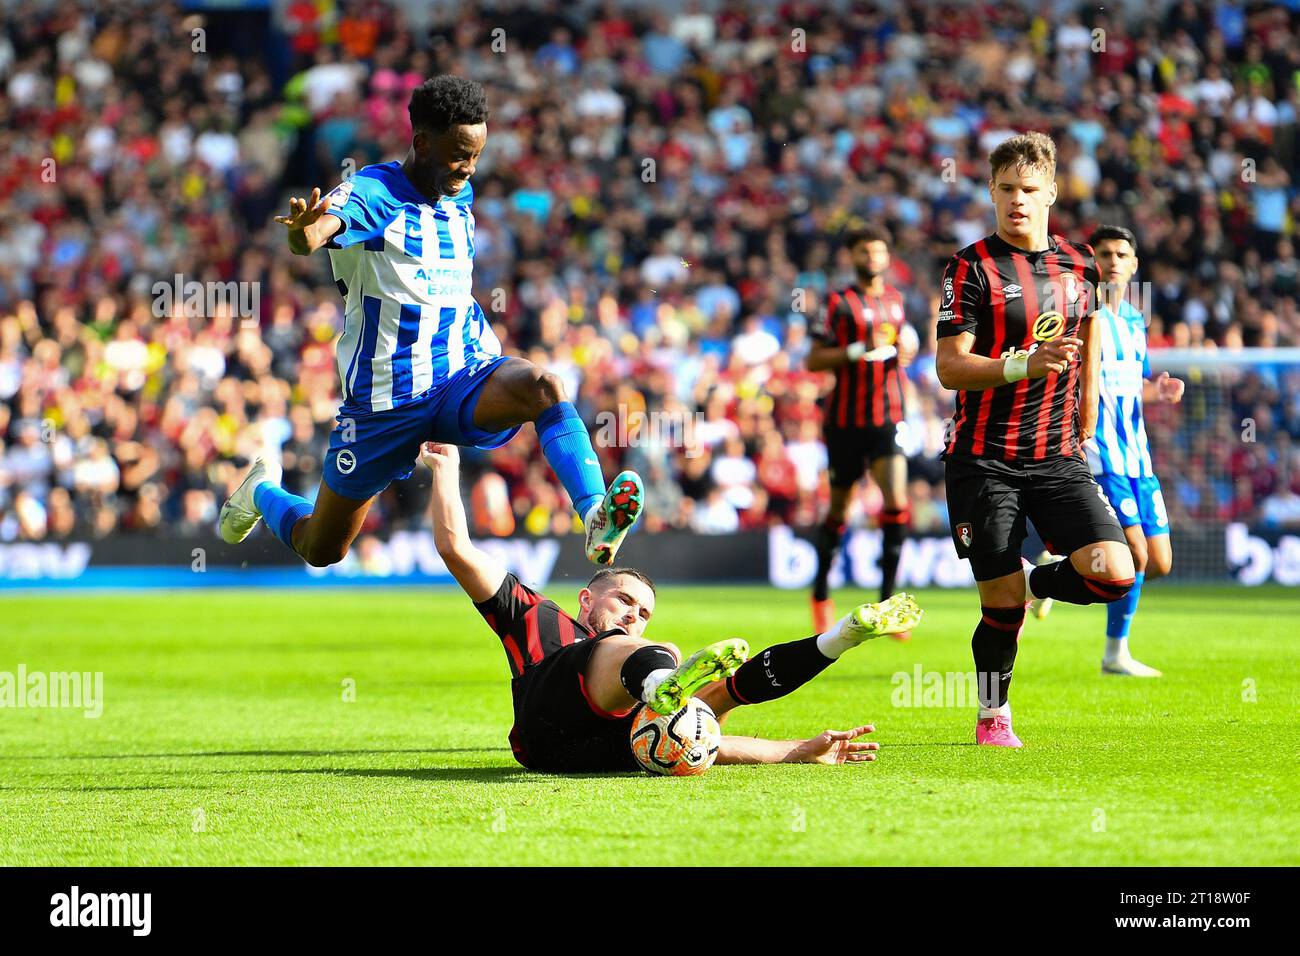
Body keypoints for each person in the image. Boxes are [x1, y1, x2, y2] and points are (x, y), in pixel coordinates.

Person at [218, 74, 640, 568]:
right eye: (460, 154)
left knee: (544, 386)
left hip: (461, 372)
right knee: (322, 549)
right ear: (422, 142)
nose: (469, 167)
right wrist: (304, 233)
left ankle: (593, 515)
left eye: (477, 155)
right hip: (384, 401)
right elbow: (318, 231)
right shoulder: (373, 192)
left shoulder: (457, 192)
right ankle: (262, 492)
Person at [422, 439, 922, 773]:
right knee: (647, 659)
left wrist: (797, 752)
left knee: (706, 710)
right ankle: (669, 683)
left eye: (642, 612)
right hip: (544, 726)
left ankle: (837, 638)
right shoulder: (538, 616)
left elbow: (713, 743)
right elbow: (456, 548)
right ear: (586, 598)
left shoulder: (636, 662)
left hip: (611, 749)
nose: (631, 615)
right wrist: (446, 468)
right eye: (623, 600)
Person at [935, 132, 1135, 748]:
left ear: (1051, 192)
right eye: (1005, 190)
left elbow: (1091, 340)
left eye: (1028, 190)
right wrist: (1022, 365)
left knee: (1115, 572)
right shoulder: (970, 266)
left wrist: (1088, 418)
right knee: (999, 607)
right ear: (991, 192)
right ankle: (993, 715)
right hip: (983, 459)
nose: (1016, 201)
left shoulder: (1081, 265)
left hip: (1058, 456)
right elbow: (948, 368)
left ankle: (1037, 578)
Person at [1079, 224, 1184, 676]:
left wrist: (1156, 392)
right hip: (1102, 457)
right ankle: (1114, 654)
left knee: (1159, 561)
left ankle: (1058, 571)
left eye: (1122, 254)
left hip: (1139, 458)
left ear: (1134, 264)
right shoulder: (1084, 319)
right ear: (1092, 262)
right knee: (1136, 554)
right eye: (1104, 254)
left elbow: (1132, 384)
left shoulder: (1135, 321)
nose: (1114, 261)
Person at [806, 225, 918, 636]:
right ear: (852, 257)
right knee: (839, 509)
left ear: (888, 257)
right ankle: (820, 593)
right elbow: (813, 360)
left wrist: (909, 350)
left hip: (889, 415)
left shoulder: (897, 300)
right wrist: (856, 349)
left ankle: (888, 603)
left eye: (878, 251)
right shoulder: (837, 302)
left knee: (897, 501)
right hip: (844, 422)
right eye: (864, 251)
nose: (872, 258)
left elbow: (903, 345)